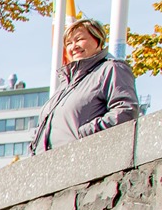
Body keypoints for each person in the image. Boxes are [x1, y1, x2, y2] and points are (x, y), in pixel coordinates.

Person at [31, 18, 140, 154]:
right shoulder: (64, 85)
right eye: (69, 43)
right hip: (48, 166)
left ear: (98, 40)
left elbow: (125, 111)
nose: (73, 46)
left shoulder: (111, 69)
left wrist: (85, 134)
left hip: (83, 159)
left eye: (79, 39)